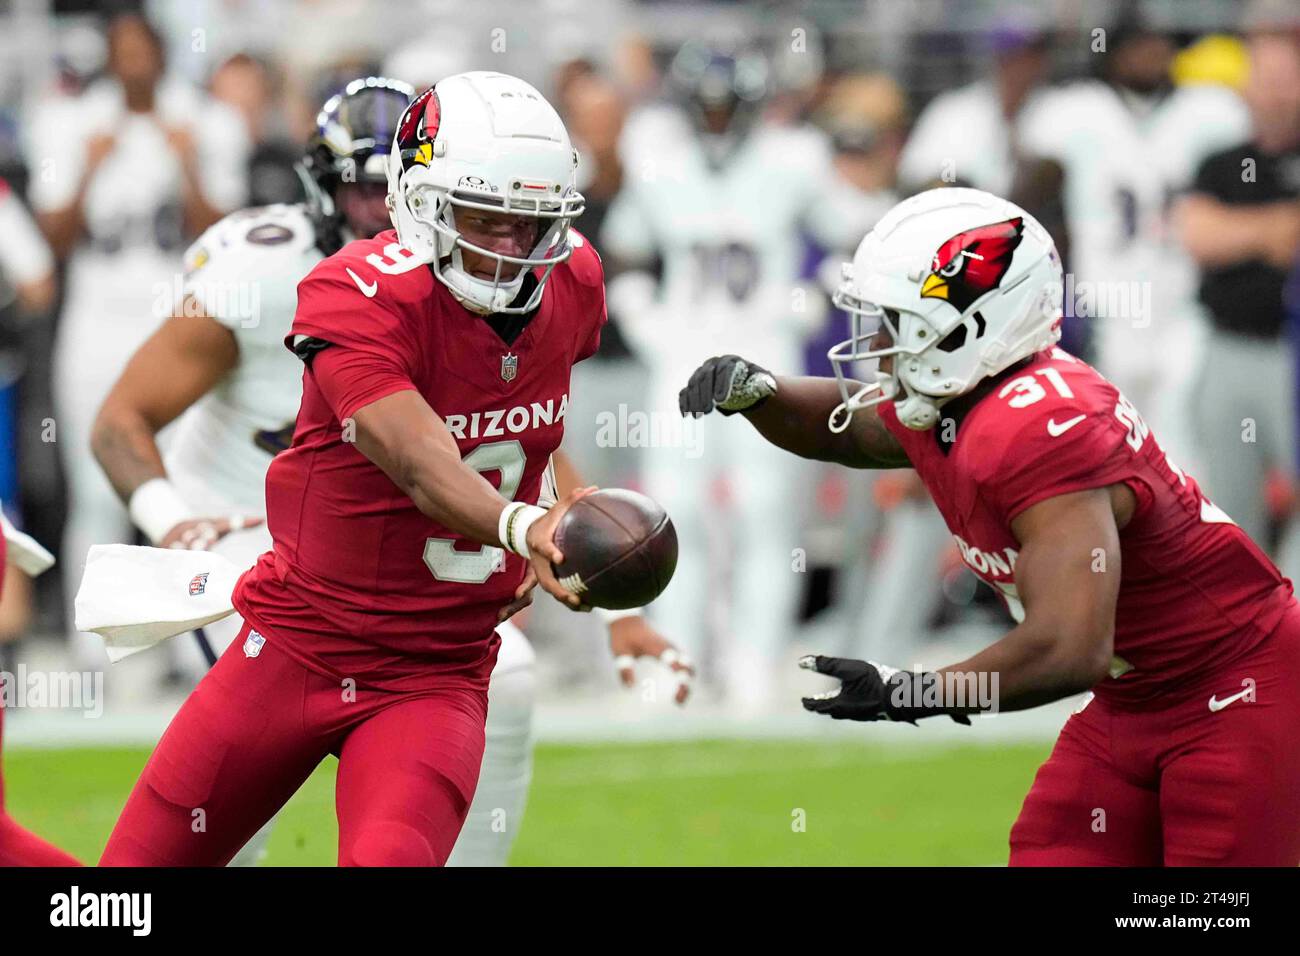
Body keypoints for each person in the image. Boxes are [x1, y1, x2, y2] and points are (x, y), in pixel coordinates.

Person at [92, 76, 689, 867]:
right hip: (296, 635)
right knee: (123, 892)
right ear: (423, 199)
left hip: (435, 669)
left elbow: (525, 445)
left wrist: (610, 595)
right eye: (487, 218)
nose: (512, 248)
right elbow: (416, 456)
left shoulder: (572, 280)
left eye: (532, 222)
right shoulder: (349, 289)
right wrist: (521, 527)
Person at [680, 187, 1300, 866]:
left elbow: (1070, 646)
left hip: (1235, 689)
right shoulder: (966, 394)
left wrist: (911, 691)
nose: (877, 342)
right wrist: (758, 394)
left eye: (895, 320)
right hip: (1136, 697)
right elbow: (851, 431)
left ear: (968, 325)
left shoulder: (1036, 426)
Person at [601, 41, 870, 711]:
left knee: (764, 512)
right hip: (684, 355)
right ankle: (679, 658)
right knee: (670, 514)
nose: (717, 122)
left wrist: (812, 302)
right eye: (708, 111)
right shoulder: (658, 159)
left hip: (762, 352)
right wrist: (642, 317)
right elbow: (627, 245)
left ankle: (754, 664)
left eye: (728, 111)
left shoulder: (794, 159)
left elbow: (849, 237)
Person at [25, 12, 248, 663]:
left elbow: (225, 239)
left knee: (183, 482)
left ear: (160, 54)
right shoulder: (70, 121)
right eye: (121, 52)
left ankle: (192, 645)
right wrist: (90, 168)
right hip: (95, 323)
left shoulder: (204, 120)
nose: (132, 64)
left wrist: (187, 166)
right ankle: (95, 649)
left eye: (140, 51)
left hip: (180, 323)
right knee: (95, 486)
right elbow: (52, 242)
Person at [1181, 28, 1300, 556]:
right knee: (1229, 508)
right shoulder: (1221, 163)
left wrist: (1239, 231)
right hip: (1229, 348)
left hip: (1290, 349)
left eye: (1285, 78)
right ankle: (1253, 627)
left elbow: (1218, 232)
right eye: (1264, 78)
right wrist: (1277, 227)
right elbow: (1198, 236)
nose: (1274, 92)